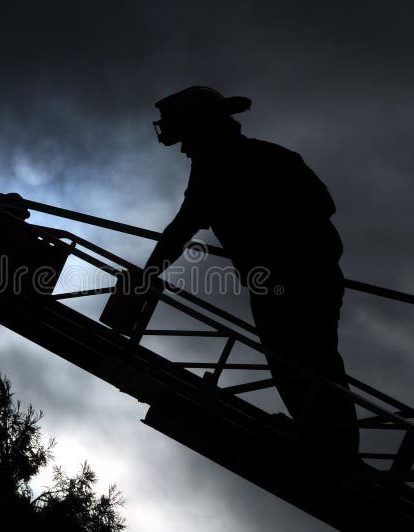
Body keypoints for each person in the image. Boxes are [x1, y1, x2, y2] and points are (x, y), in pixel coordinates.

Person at [143, 86, 359, 464]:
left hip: (288, 281)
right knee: (308, 361)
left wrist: (145, 276)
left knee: (301, 361)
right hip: (305, 277)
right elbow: (325, 204)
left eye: (187, 138)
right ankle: (329, 443)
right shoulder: (270, 157)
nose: (184, 149)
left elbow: (180, 230)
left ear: (205, 128)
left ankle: (333, 449)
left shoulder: (220, 169)